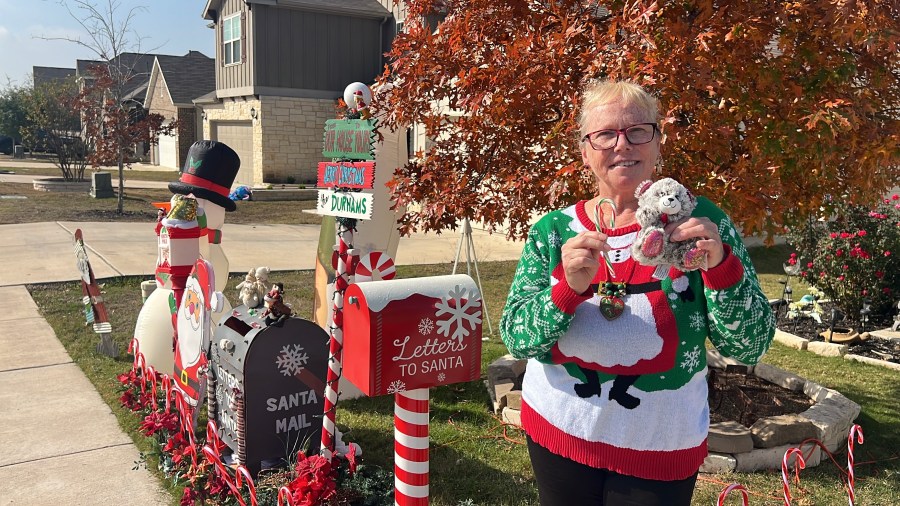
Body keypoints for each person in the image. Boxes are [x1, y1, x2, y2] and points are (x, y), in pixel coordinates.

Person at [500, 80, 776, 506]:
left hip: (659, 444)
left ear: (657, 143)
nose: (622, 145)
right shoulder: (553, 232)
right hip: (561, 432)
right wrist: (567, 290)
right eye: (605, 134)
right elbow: (519, 339)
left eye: (637, 131)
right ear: (585, 150)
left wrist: (720, 268)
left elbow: (750, 343)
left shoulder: (699, 227)